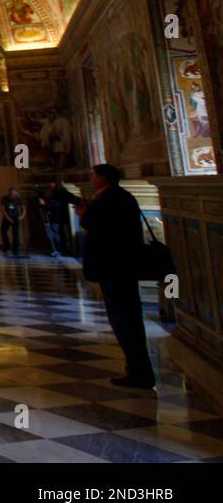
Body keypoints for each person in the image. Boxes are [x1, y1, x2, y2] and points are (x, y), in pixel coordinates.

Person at [78, 163, 156, 389]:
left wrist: (84, 216)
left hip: (115, 268)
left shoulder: (111, 199)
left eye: (93, 175)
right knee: (126, 318)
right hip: (121, 267)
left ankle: (139, 373)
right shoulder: (123, 197)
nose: (91, 179)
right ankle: (137, 369)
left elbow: (100, 227)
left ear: (102, 178)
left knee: (124, 319)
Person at [38, 181, 79, 257]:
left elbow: (53, 204)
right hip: (61, 217)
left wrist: (44, 205)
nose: (50, 187)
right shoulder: (59, 193)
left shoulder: (58, 194)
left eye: (51, 186)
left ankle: (60, 250)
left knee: (57, 234)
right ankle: (63, 250)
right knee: (61, 234)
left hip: (57, 217)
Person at [0, 187, 24, 254]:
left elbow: (24, 208)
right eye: (10, 193)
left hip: (15, 217)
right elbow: (2, 209)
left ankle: (15, 249)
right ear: (9, 193)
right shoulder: (5, 198)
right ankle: (7, 245)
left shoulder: (18, 199)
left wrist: (21, 216)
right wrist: (8, 218)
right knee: (3, 231)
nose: (12, 194)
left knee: (15, 233)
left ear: (15, 193)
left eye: (13, 193)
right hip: (7, 216)